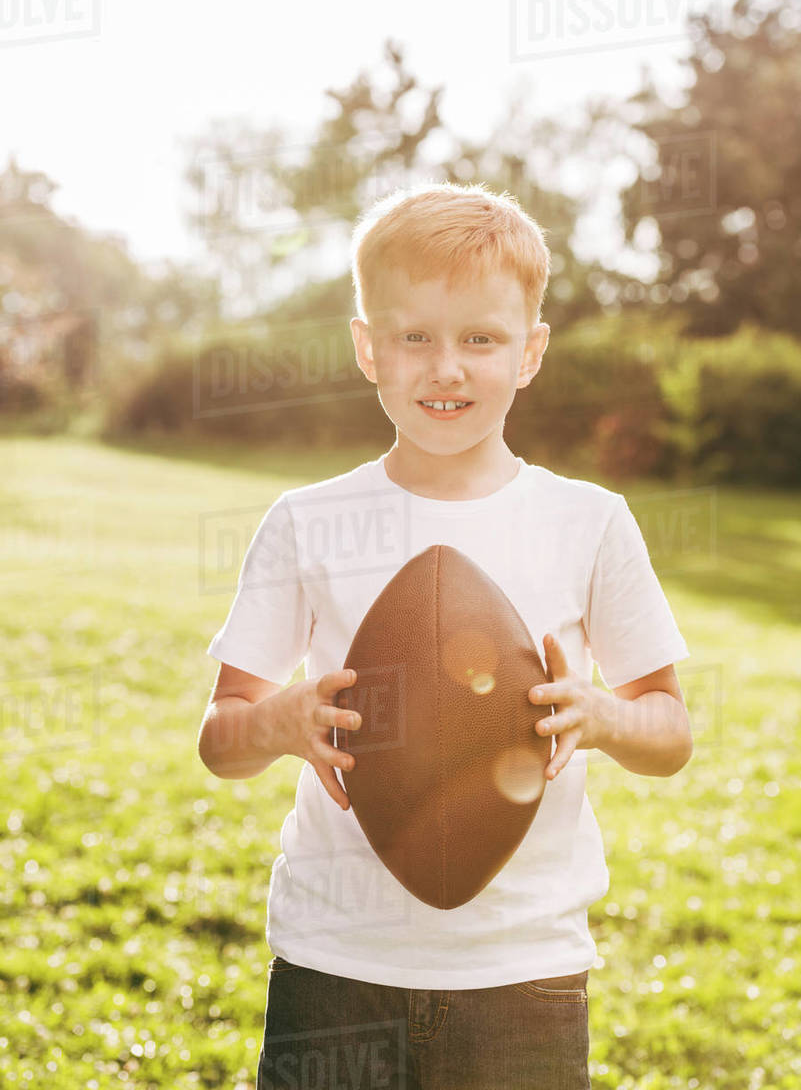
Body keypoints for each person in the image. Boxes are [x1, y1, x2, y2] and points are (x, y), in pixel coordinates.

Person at [198, 182, 693, 1090]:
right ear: (366, 349)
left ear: (529, 352)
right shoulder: (309, 519)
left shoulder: (587, 521)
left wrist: (601, 716)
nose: (445, 368)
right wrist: (278, 723)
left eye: (480, 338)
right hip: (335, 962)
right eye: (413, 336)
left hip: (523, 972)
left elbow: (670, 733)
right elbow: (221, 737)